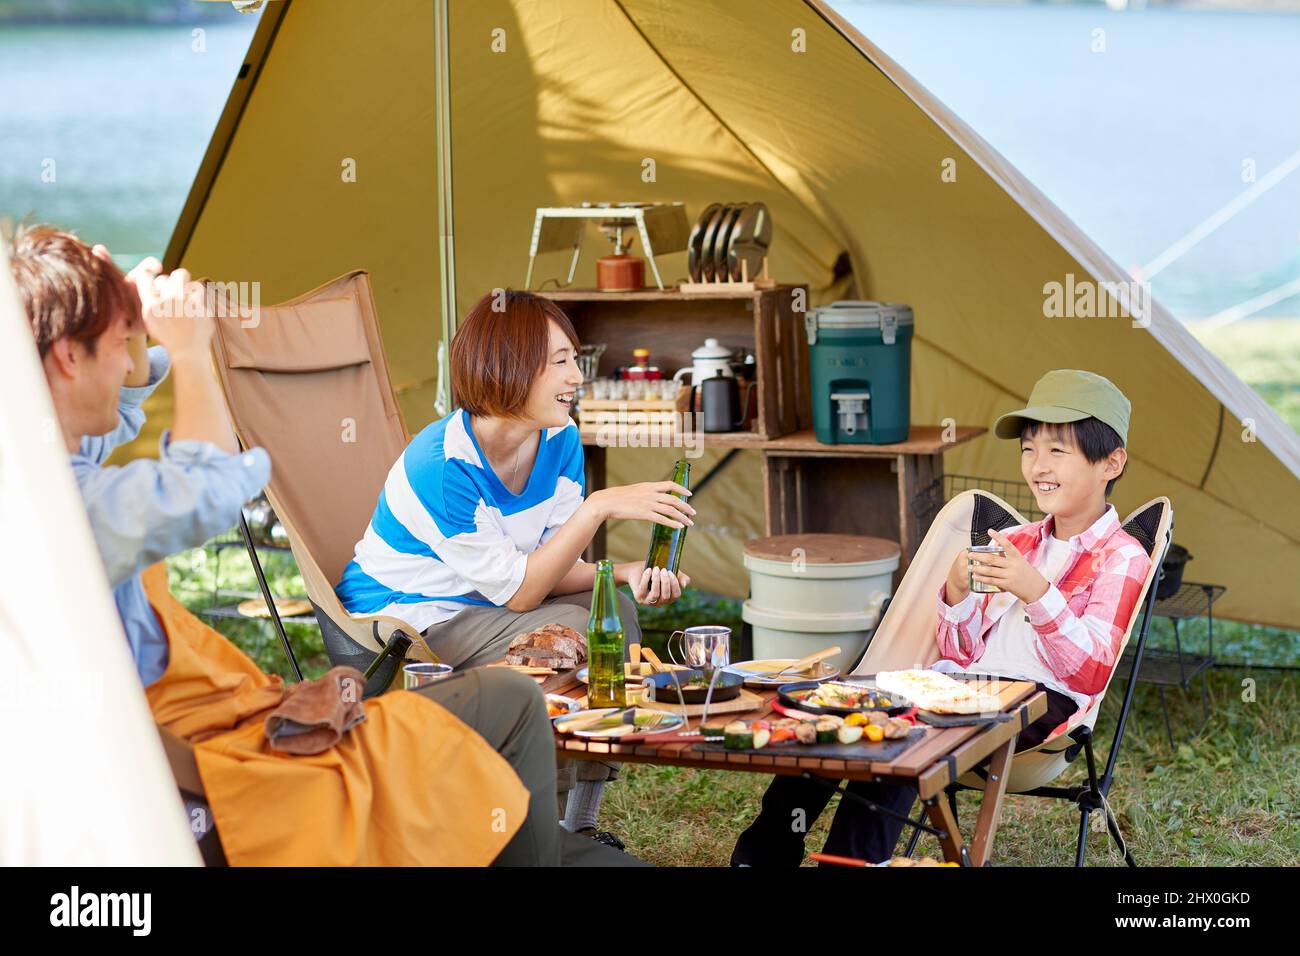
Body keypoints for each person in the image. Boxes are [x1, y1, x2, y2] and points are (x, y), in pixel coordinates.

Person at [11, 223, 636, 866]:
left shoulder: (42, 458)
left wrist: (125, 315)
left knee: (529, 703)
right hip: (217, 757)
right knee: (508, 702)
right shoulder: (67, 508)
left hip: (238, 713)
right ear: (65, 358)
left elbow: (121, 401)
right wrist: (194, 351)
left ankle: (551, 842)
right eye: (121, 345)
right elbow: (210, 484)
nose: (130, 364)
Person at [731, 369, 1153, 866]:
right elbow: (961, 653)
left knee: (905, 740)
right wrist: (955, 591)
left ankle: (850, 860)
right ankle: (762, 855)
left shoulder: (1121, 557)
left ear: (1111, 462)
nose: (1039, 465)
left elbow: (1089, 671)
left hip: (1039, 704)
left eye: (1058, 451)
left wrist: (1037, 593)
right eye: (1029, 449)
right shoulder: (1014, 543)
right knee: (836, 709)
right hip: (961, 686)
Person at [336, 289, 694, 843]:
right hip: (410, 618)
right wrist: (600, 507)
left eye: (576, 359)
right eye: (560, 363)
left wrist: (622, 575)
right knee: (567, 633)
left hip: (491, 600)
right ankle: (535, 832)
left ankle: (581, 823)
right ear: (506, 367)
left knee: (612, 612)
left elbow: (549, 568)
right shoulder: (442, 466)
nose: (577, 376)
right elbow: (524, 596)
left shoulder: (559, 437)